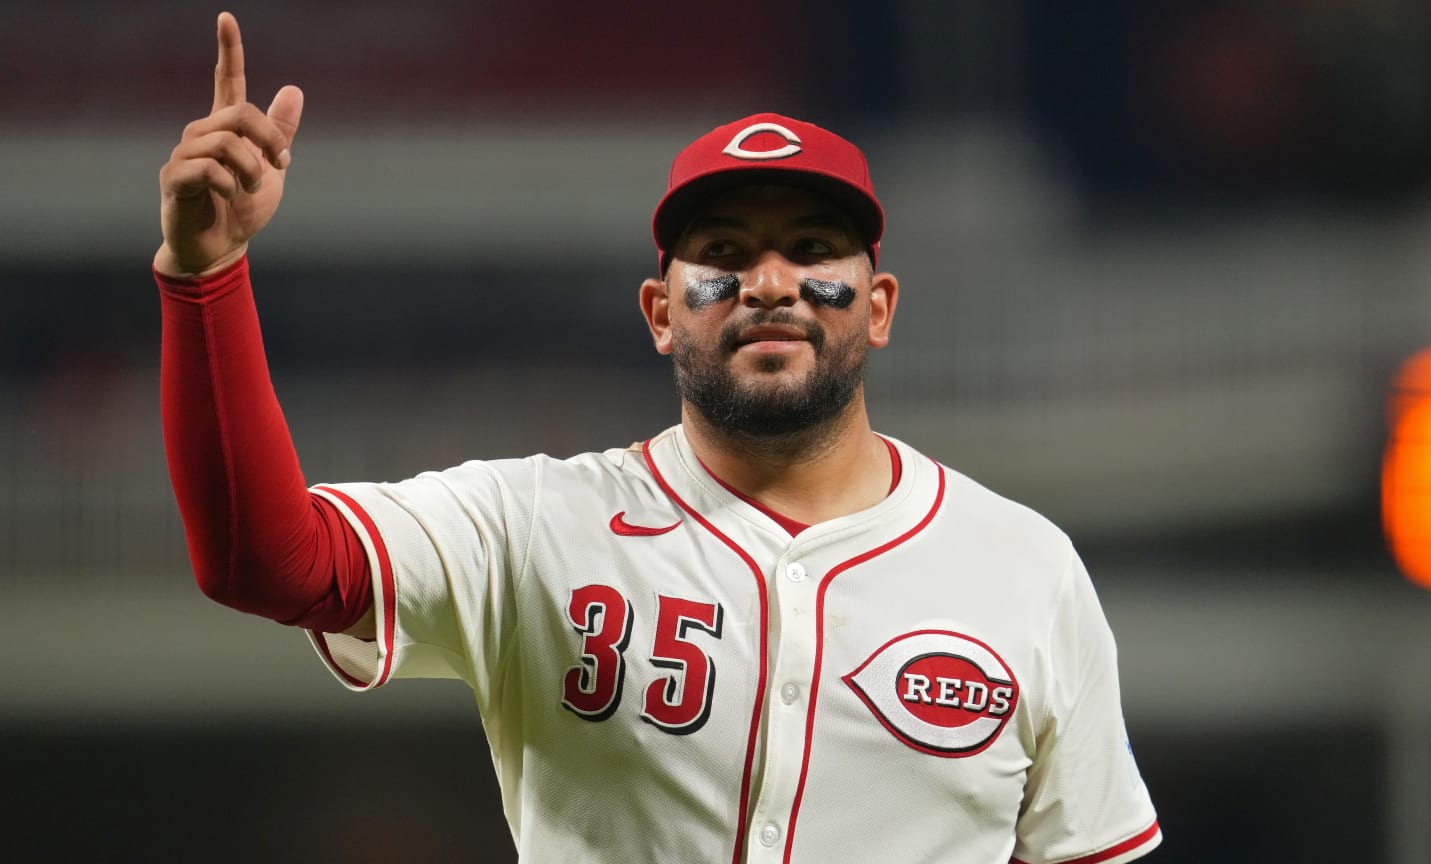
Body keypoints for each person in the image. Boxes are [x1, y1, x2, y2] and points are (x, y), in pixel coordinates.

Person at [155, 12, 1161, 864]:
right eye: (722, 257)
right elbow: (265, 561)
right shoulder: (535, 523)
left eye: (812, 251)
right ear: (661, 312)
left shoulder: (1024, 570)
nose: (769, 284)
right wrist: (207, 275)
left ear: (880, 303)